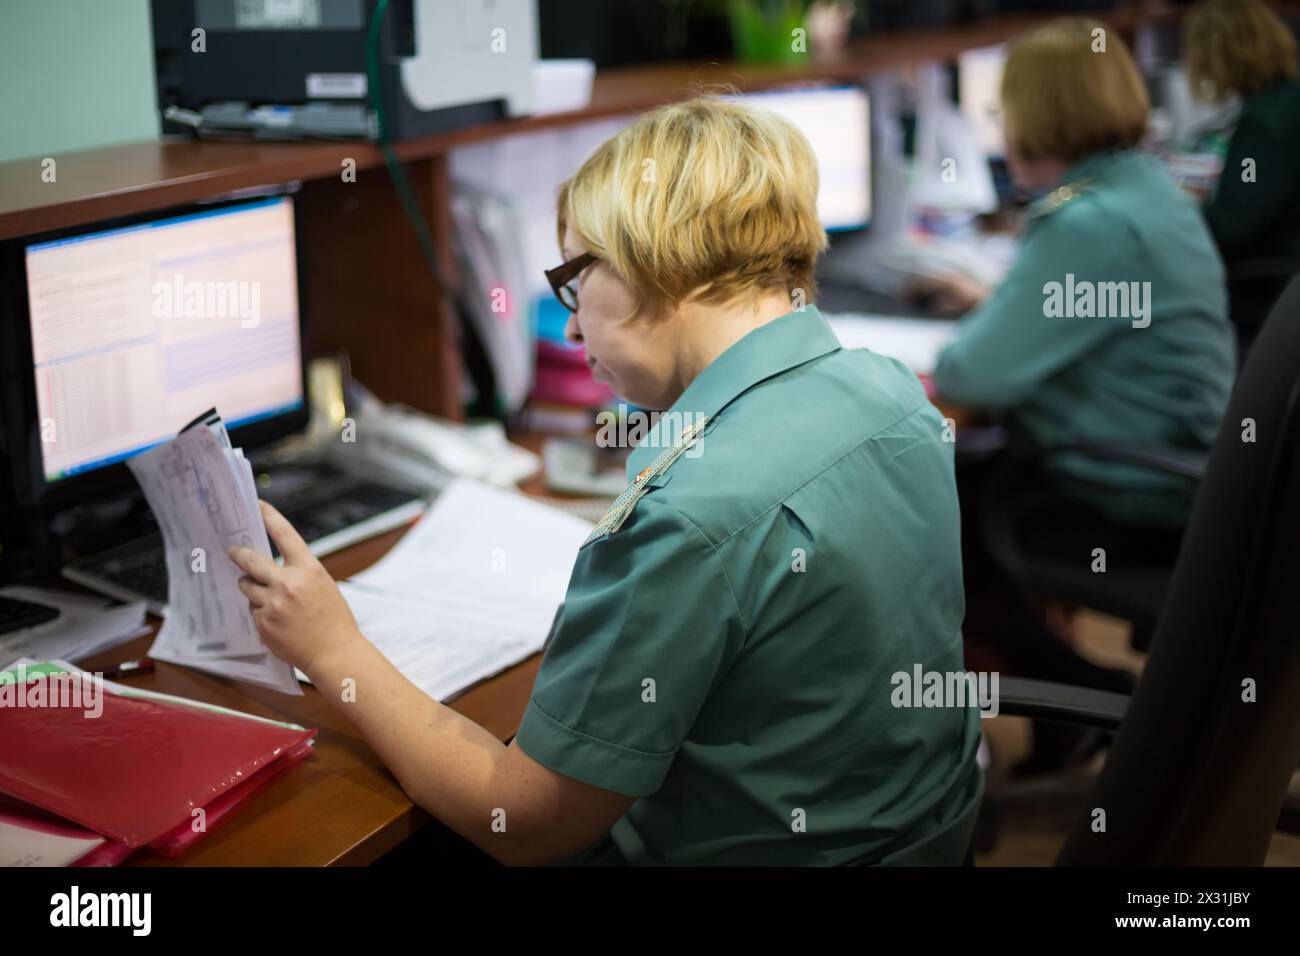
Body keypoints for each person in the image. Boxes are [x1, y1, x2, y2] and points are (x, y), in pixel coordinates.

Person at [230, 97, 984, 865]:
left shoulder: (693, 513)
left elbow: (520, 821)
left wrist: (334, 651)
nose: (571, 328)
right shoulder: (892, 392)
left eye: (573, 280)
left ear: (660, 257)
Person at [928, 19, 1237, 772]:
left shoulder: (1092, 220)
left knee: (925, 518)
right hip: (1191, 471)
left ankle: (1086, 698)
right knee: (966, 488)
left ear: (1039, 114)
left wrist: (988, 315)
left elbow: (971, 378)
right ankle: (1071, 710)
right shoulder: (1143, 186)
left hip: (1136, 493)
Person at [1186, 0, 1300, 345]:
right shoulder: (1288, 102)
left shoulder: (1265, 127)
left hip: (1266, 287)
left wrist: (1185, 207)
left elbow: (1233, 227)